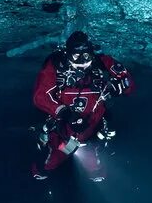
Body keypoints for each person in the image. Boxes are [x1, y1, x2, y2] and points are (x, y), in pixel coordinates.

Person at [31, 31, 134, 181]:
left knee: (95, 169)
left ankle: (93, 169)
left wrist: (119, 87)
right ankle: (44, 166)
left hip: (91, 128)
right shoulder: (56, 66)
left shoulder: (102, 63)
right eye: (76, 56)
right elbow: (40, 96)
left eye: (86, 56)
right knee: (50, 162)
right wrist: (64, 113)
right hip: (63, 130)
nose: (82, 61)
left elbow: (129, 83)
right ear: (68, 54)